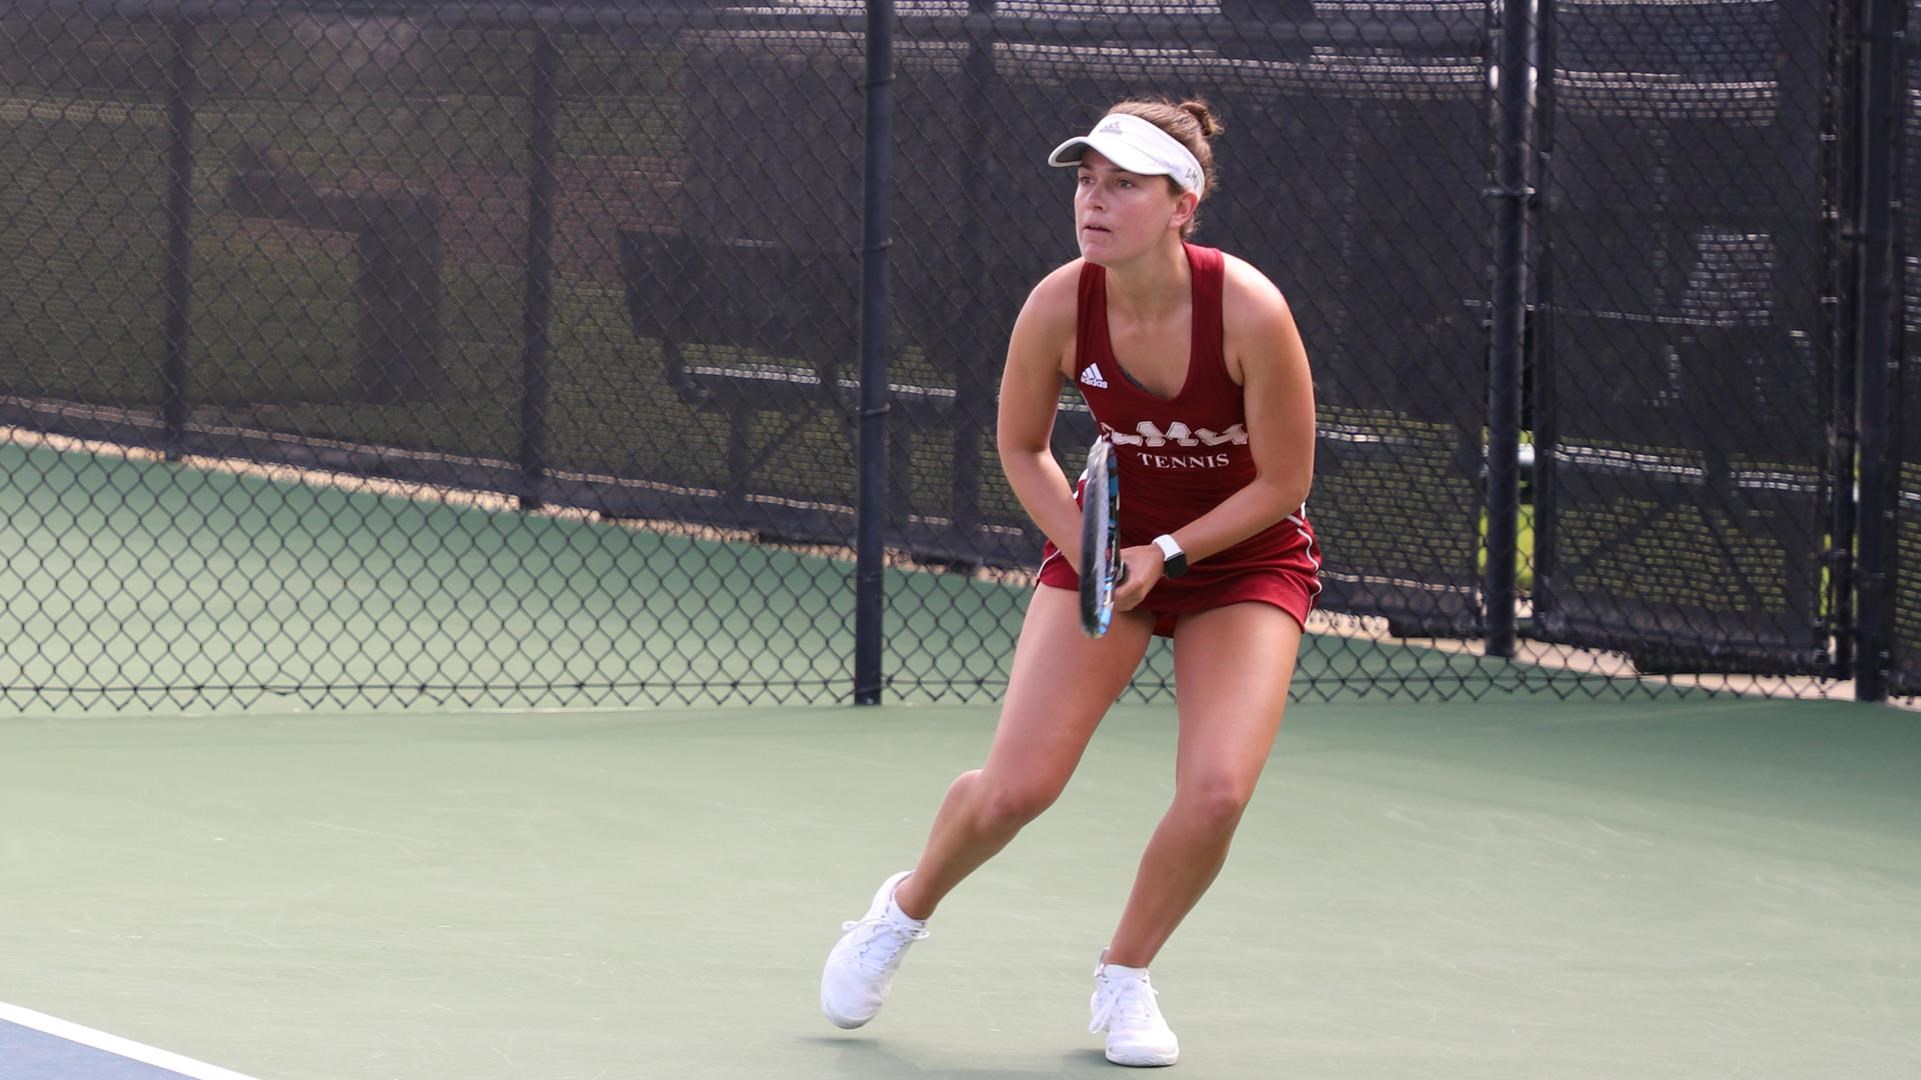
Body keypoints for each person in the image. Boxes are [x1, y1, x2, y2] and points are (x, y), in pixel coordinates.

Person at [820, 97, 1320, 1068]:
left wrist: (1165, 558)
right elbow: (1018, 448)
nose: (1094, 200)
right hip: (1106, 547)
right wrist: (1094, 554)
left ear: (1182, 203)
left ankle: (1124, 975)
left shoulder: (1249, 309)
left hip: (1241, 558)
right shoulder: (1058, 303)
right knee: (1016, 790)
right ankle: (902, 908)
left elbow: (1284, 482)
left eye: (1123, 183)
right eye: (1086, 179)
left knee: (1216, 792)